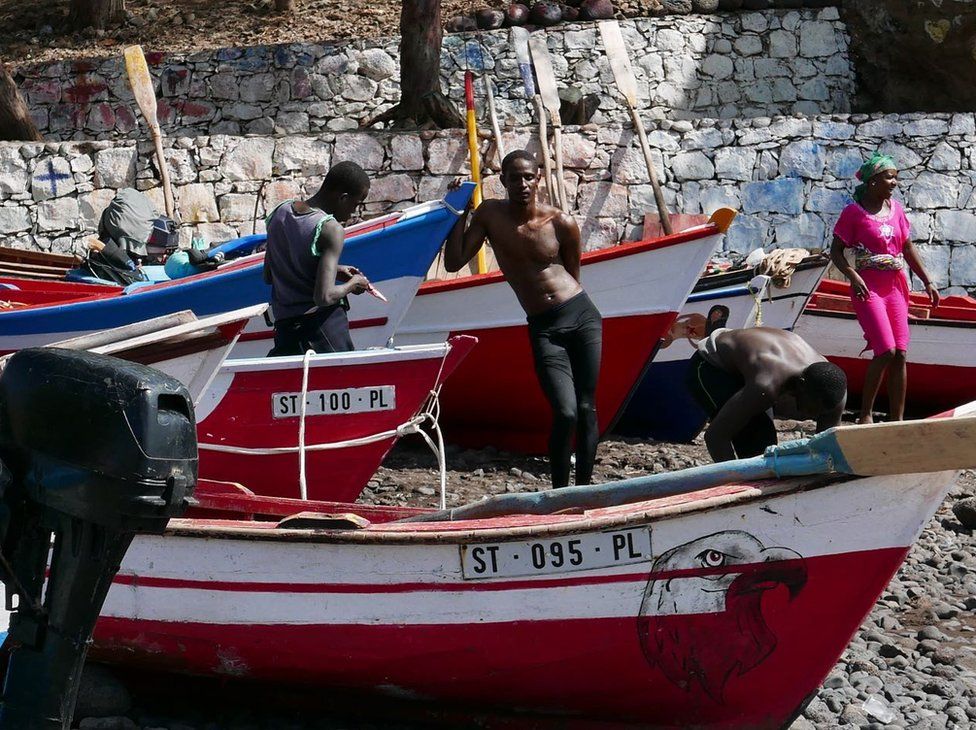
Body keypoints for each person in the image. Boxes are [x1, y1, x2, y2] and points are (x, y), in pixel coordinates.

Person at [444, 150, 602, 489]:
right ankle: (561, 494)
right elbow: (454, 261)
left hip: (581, 316)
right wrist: (458, 211)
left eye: (528, 176)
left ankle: (587, 493)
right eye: (514, 177)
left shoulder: (561, 222)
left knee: (587, 407)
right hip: (545, 328)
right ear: (502, 181)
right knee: (566, 412)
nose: (522, 184)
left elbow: (574, 275)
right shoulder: (489, 215)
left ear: (539, 178)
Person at [829, 152, 940, 423]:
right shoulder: (853, 213)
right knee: (885, 349)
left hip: (895, 286)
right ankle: (865, 414)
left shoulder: (897, 210)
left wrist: (928, 280)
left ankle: (897, 419)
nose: (894, 183)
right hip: (869, 287)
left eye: (896, 178)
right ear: (873, 181)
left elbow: (907, 247)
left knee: (900, 352)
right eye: (889, 177)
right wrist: (853, 277)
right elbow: (836, 252)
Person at [686, 327, 847, 463]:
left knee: (765, 448)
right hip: (711, 364)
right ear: (801, 385)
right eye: (811, 409)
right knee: (753, 438)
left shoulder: (835, 395)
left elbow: (826, 448)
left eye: (818, 414)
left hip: (755, 363)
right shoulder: (766, 385)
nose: (810, 416)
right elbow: (715, 437)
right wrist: (736, 481)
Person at [263, 161, 372, 356]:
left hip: (286, 331)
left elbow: (269, 276)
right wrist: (354, 284)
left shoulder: (280, 212)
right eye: (355, 205)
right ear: (343, 198)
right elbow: (324, 297)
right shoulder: (331, 229)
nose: (353, 213)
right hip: (322, 332)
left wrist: (335, 269)